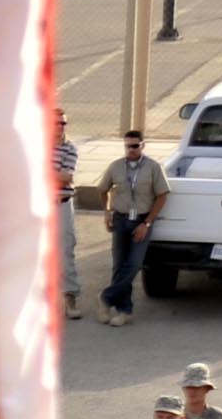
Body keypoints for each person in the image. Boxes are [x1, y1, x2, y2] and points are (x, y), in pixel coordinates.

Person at [96, 129, 166, 328]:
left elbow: (162, 196)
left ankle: (106, 297)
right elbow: (102, 189)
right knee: (119, 265)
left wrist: (147, 223)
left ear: (143, 145)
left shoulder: (153, 167)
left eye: (135, 146)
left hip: (141, 221)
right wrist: (107, 212)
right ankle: (124, 311)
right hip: (120, 219)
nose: (131, 150)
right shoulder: (116, 166)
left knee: (134, 264)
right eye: (127, 146)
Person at [53, 110, 81, 320]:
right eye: (56, 123)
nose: (60, 127)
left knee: (65, 251)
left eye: (63, 123)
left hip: (61, 204)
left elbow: (66, 176)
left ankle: (69, 298)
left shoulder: (70, 149)